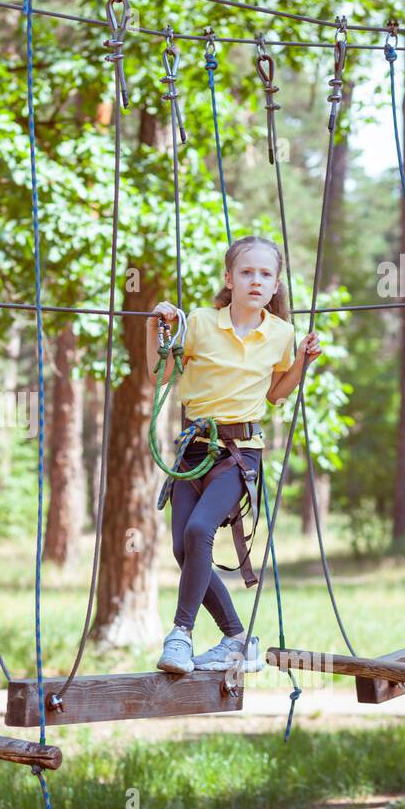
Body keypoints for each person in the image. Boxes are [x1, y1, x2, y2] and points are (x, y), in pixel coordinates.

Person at [151, 235, 322, 675]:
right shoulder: (201, 322)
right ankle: (236, 638)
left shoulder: (281, 334)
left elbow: (275, 394)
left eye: (265, 274)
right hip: (193, 450)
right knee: (182, 547)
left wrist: (303, 361)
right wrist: (163, 330)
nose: (256, 281)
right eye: (246, 272)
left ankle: (180, 635)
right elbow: (165, 374)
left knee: (199, 530)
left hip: (239, 454)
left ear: (276, 284)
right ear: (229, 279)